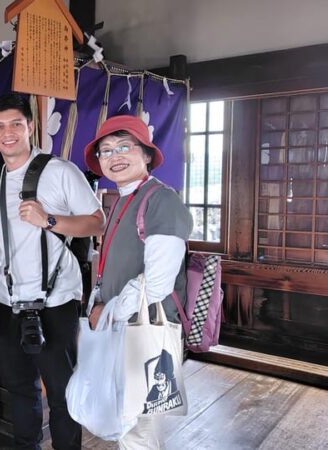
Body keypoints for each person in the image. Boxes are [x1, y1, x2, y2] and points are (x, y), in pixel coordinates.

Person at [0, 93, 104, 450]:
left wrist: (50, 220)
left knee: (63, 393)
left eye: (16, 124)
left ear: (31, 127)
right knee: (20, 389)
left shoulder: (60, 171)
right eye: (0, 127)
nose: (8, 133)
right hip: (7, 302)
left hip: (55, 302)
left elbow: (98, 222)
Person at [83, 115, 192, 450]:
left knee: (140, 430)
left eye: (124, 146)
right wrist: (98, 306)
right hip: (120, 327)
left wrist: (110, 310)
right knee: (125, 421)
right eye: (106, 150)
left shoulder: (162, 200)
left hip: (147, 332)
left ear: (146, 154)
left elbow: (158, 282)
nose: (115, 156)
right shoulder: (123, 199)